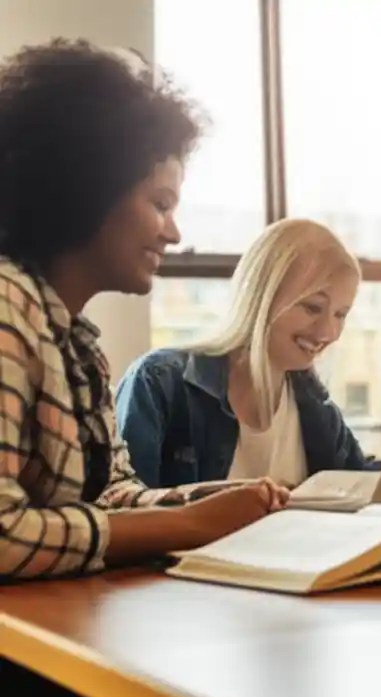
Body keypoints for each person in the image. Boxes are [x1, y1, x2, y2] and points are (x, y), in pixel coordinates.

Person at [0, 40, 285, 580]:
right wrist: (190, 526)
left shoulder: (75, 339)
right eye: (160, 204)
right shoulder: (6, 307)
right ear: (87, 188)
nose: (174, 233)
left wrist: (204, 501)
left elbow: (106, 496)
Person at [117, 218, 377, 489]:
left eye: (340, 314)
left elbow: (366, 483)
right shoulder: (159, 383)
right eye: (312, 308)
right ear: (261, 297)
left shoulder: (314, 405)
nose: (328, 332)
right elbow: (124, 509)